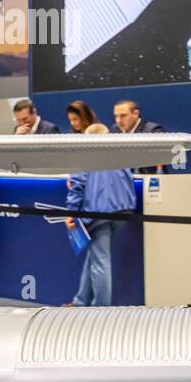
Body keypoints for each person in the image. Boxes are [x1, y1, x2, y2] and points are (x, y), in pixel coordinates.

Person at [65, 123, 136, 307]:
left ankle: (101, 310)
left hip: (99, 213)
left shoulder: (85, 156)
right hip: (123, 211)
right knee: (95, 255)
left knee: (100, 261)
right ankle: (81, 300)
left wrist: (70, 212)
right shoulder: (119, 153)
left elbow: (78, 185)